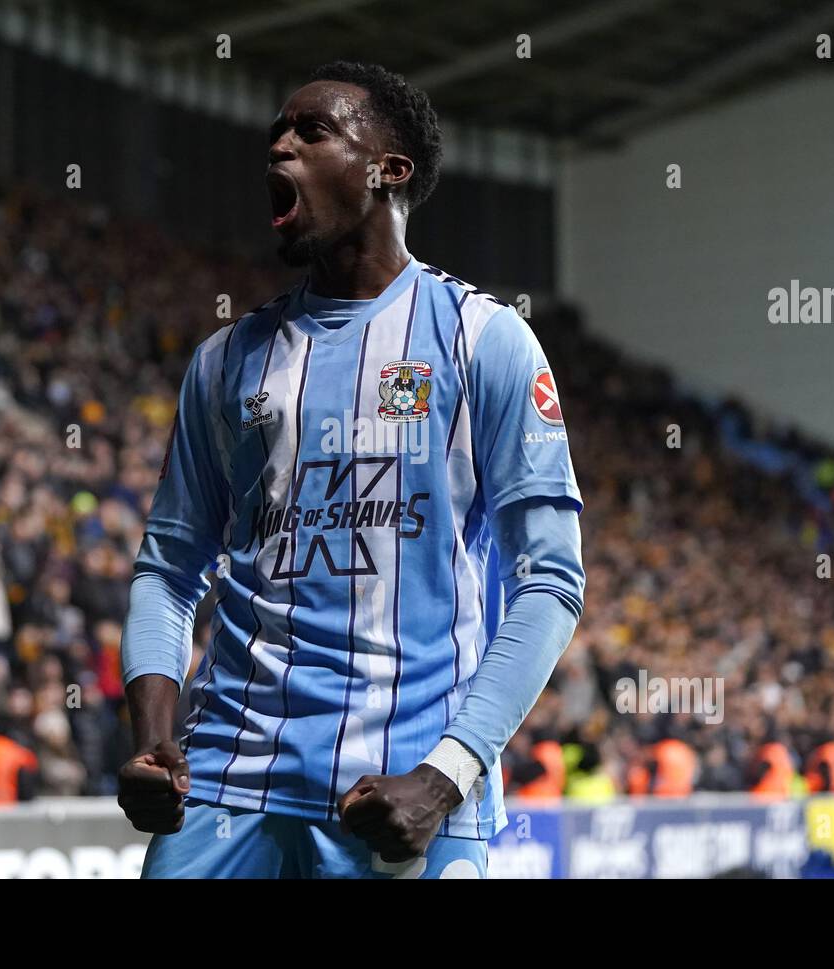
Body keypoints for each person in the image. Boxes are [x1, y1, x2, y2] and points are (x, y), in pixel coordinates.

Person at [117, 61, 584, 878]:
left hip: (400, 800)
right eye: (275, 136)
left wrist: (445, 779)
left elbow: (550, 581)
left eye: (311, 132)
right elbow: (169, 566)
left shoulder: (486, 341)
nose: (279, 149)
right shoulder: (226, 361)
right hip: (224, 790)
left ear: (387, 170)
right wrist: (154, 734)